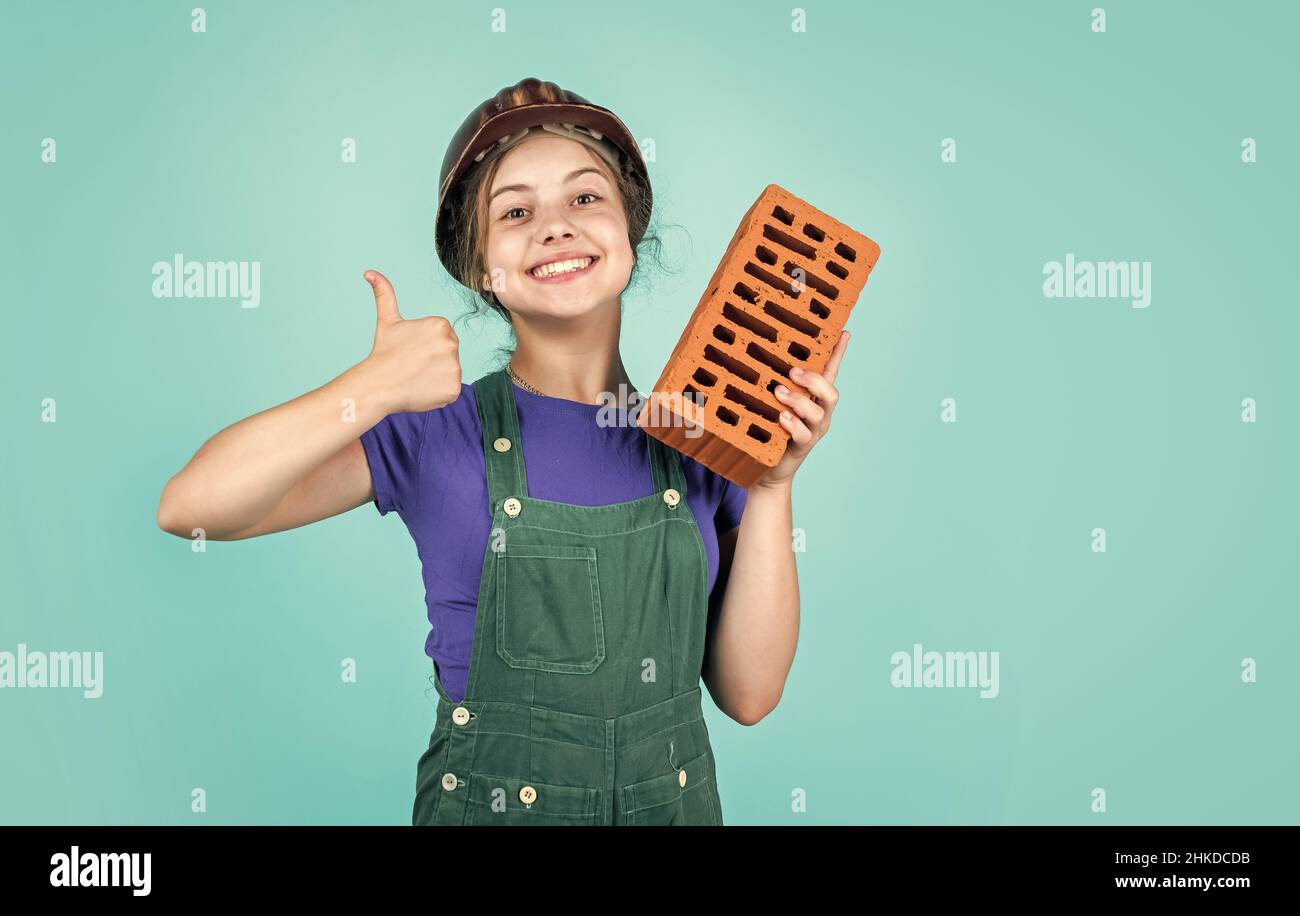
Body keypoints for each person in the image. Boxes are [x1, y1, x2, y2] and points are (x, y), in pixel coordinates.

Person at [156, 77, 850, 826]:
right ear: (481, 269)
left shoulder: (703, 439)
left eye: (586, 198)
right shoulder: (432, 429)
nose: (555, 226)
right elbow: (191, 508)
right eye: (516, 212)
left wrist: (774, 485)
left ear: (630, 233)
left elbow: (749, 695)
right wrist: (367, 387)